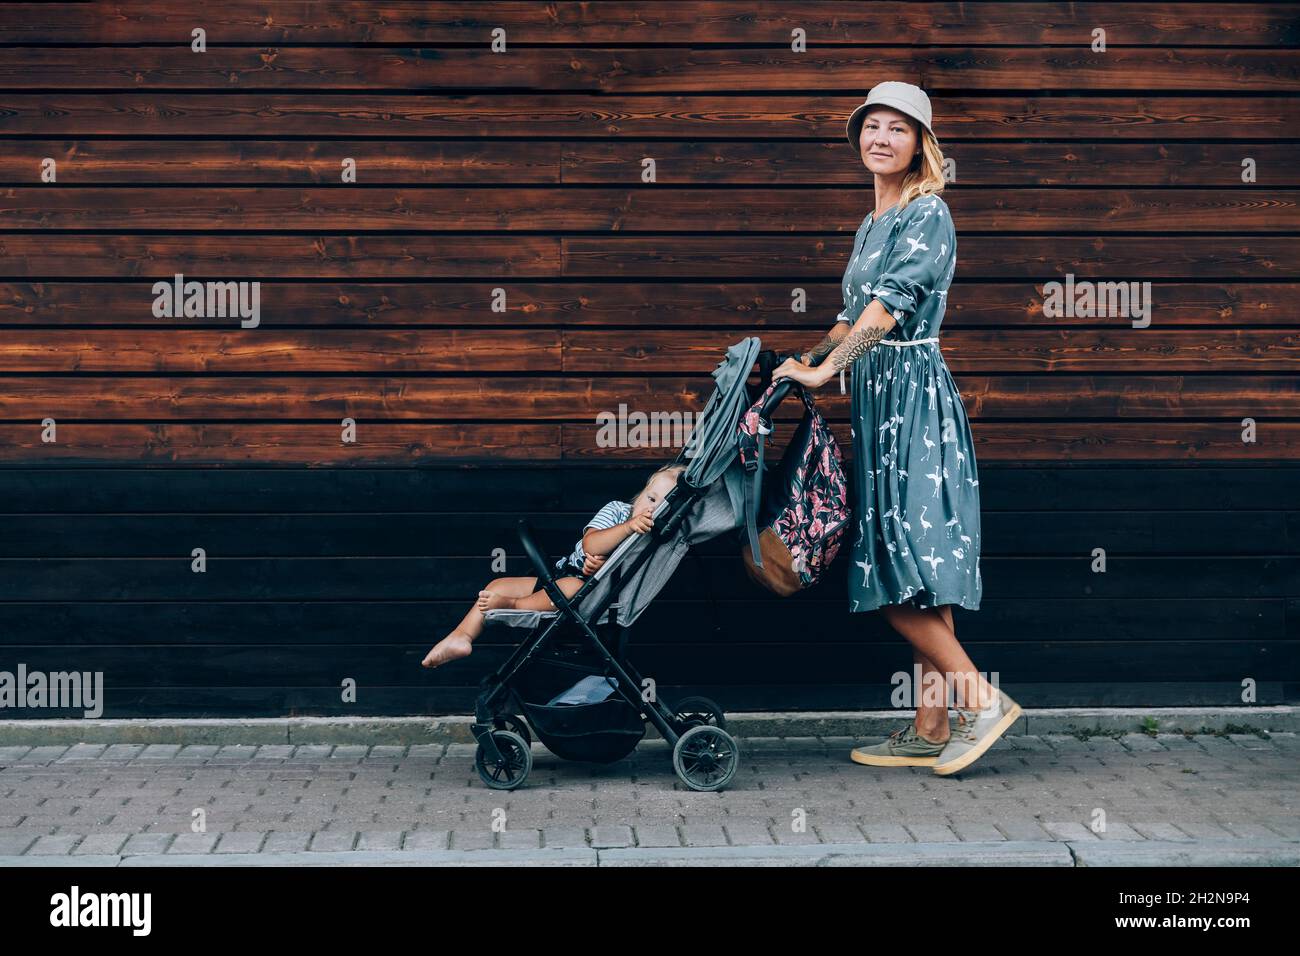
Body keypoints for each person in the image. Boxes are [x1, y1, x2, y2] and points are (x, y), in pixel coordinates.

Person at [771, 81, 1019, 776]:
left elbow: (889, 311)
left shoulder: (926, 211)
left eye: (897, 129)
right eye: (871, 126)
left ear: (920, 144)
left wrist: (827, 373)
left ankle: (982, 703)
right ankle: (931, 727)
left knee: (896, 560)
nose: (880, 138)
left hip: (913, 400)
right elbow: (853, 319)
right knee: (917, 571)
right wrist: (810, 358)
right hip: (880, 402)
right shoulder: (872, 221)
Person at [420, 463, 685, 668]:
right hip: (564, 571)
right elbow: (592, 544)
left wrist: (602, 569)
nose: (651, 511)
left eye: (661, 507)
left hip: (586, 592)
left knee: (569, 589)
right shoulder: (618, 511)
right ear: (641, 494)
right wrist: (625, 529)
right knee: (497, 584)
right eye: (650, 499)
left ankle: (512, 606)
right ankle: (461, 636)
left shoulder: (651, 540)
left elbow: (624, 574)